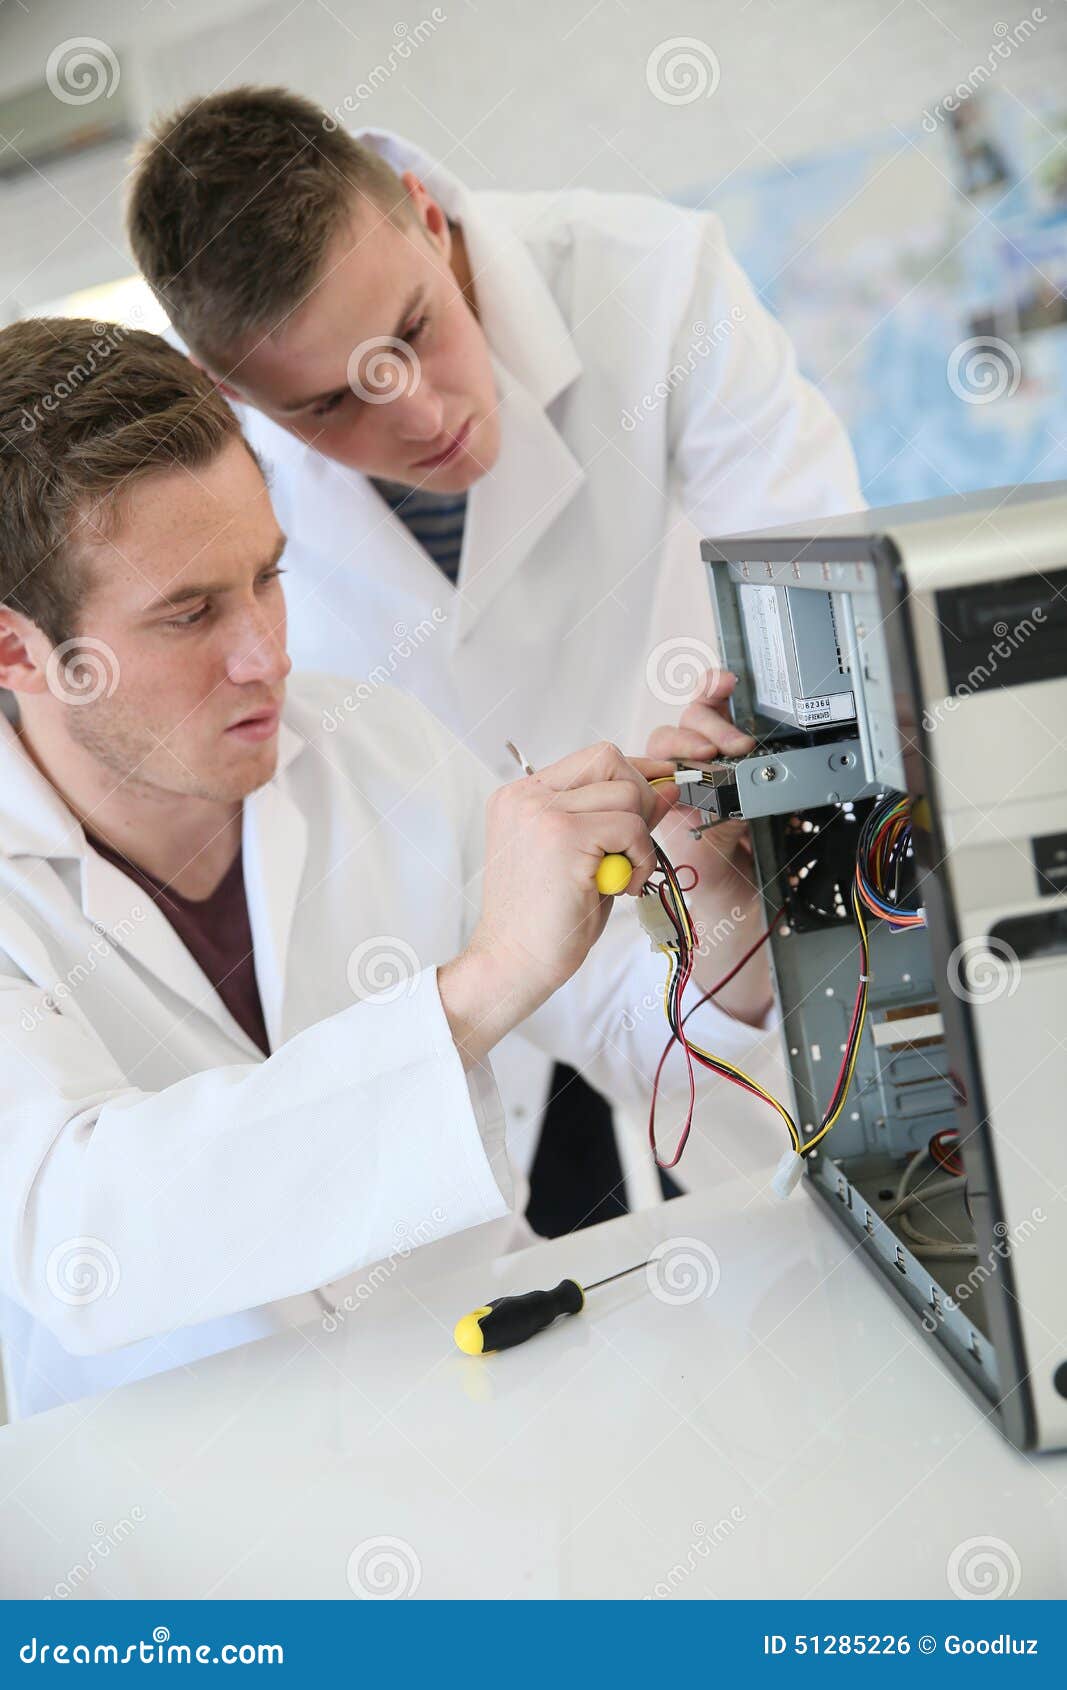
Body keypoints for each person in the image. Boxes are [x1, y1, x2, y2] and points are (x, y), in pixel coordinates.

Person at [124, 88, 865, 1229]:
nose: (419, 418)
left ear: (425, 215)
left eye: (415, 331)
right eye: (328, 404)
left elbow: (821, 603)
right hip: (460, 981)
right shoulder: (218, 493)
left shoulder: (648, 280)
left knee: (805, 1230)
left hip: (726, 888)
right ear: (238, 393)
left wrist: (750, 774)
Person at [0, 320, 770, 1417]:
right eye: (190, 613)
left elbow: (628, 1028)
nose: (267, 653)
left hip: (488, 1412)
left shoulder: (372, 746)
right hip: (175, 1489)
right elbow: (84, 1232)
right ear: (19, 651)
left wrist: (719, 912)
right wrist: (481, 985)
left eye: (266, 576)